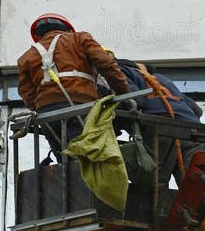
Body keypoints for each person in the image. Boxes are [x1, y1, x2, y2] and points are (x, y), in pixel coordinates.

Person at [17, 13, 131, 159]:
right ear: (69, 30)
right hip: (81, 106)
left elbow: (26, 92)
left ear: (37, 36)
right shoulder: (80, 39)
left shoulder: (26, 57)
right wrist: (124, 95)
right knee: (85, 161)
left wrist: (43, 105)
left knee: (64, 162)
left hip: (47, 115)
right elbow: (107, 65)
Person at [107, 56, 203, 188]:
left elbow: (136, 101)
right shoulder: (160, 78)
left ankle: (159, 208)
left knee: (154, 185)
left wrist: (112, 124)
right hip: (194, 131)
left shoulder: (119, 72)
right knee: (192, 187)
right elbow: (197, 110)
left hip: (162, 128)